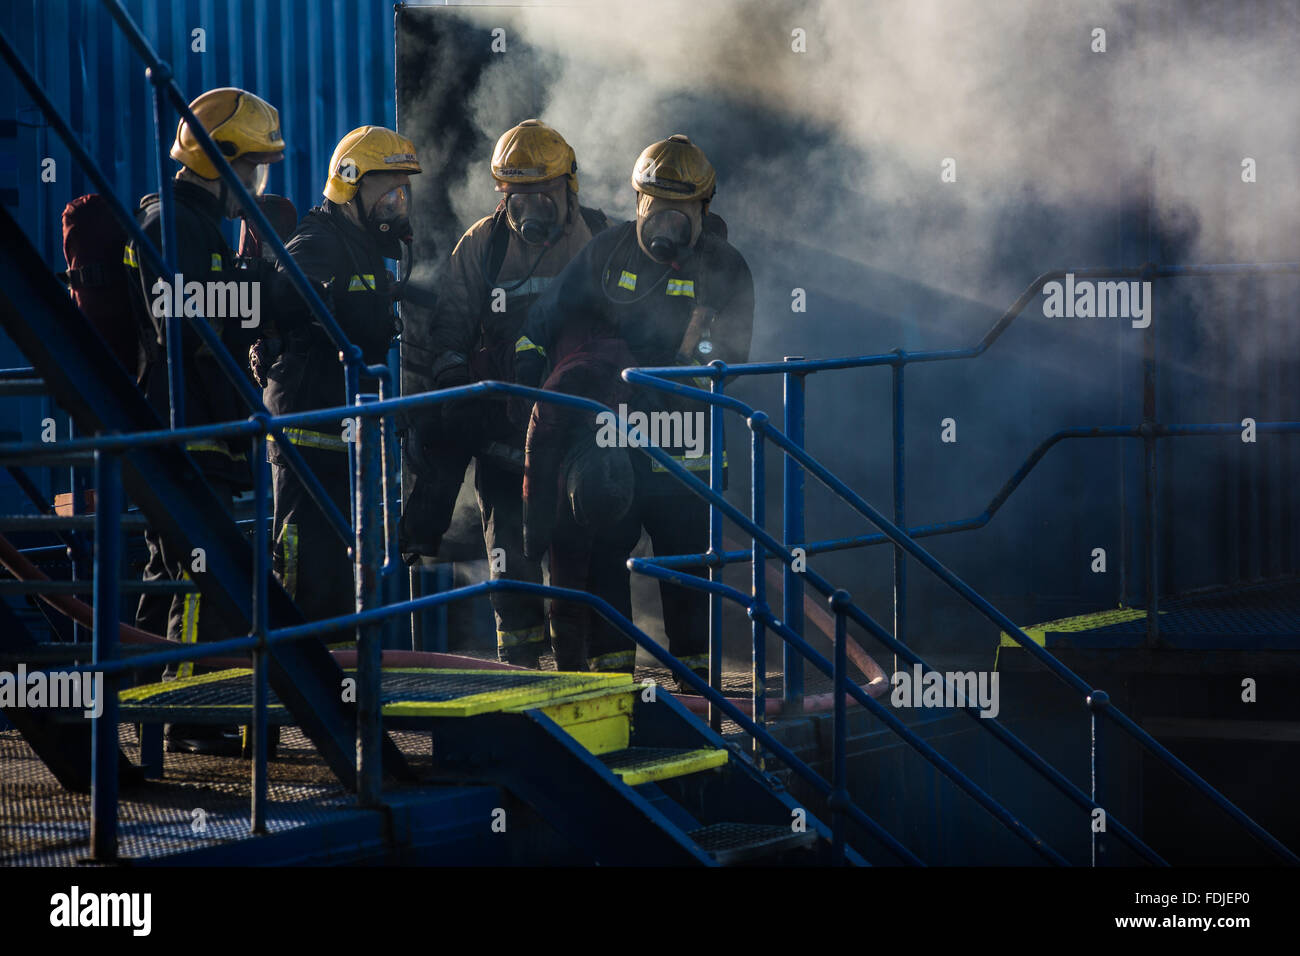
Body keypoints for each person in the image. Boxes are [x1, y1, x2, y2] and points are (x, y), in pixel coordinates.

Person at [514, 134, 753, 682]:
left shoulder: (725, 269)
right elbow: (544, 319)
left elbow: (733, 357)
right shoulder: (606, 252)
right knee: (603, 555)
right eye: (655, 207)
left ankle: (697, 690)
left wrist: (686, 362)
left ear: (702, 209)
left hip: (683, 438)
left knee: (686, 565)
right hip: (613, 436)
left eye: (679, 211)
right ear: (638, 200)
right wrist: (530, 371)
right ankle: (611, 682)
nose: (665, 222)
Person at [402, 119, 608, 667]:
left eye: (544, 194)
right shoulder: (484, 246)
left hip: (572, 435)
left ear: (570, 187)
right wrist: (458, 398)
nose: (533, 208)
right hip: (503, 439)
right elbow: (450, 330)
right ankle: (521, 681)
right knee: (511, 566)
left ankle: (577, 677)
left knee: (574, 561)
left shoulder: (597, 240)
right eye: (519, 196)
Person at [260, 126, 421, 633]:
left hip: (345, 432)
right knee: (306, 563)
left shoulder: (361, 245)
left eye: (403, 192)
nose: (397, 204)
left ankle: (341, 686)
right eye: (386, 192)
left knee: (346, 566)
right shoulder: (317, 240)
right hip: (310, 426)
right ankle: (302, 682)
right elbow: (280, 297)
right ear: (350, 183)